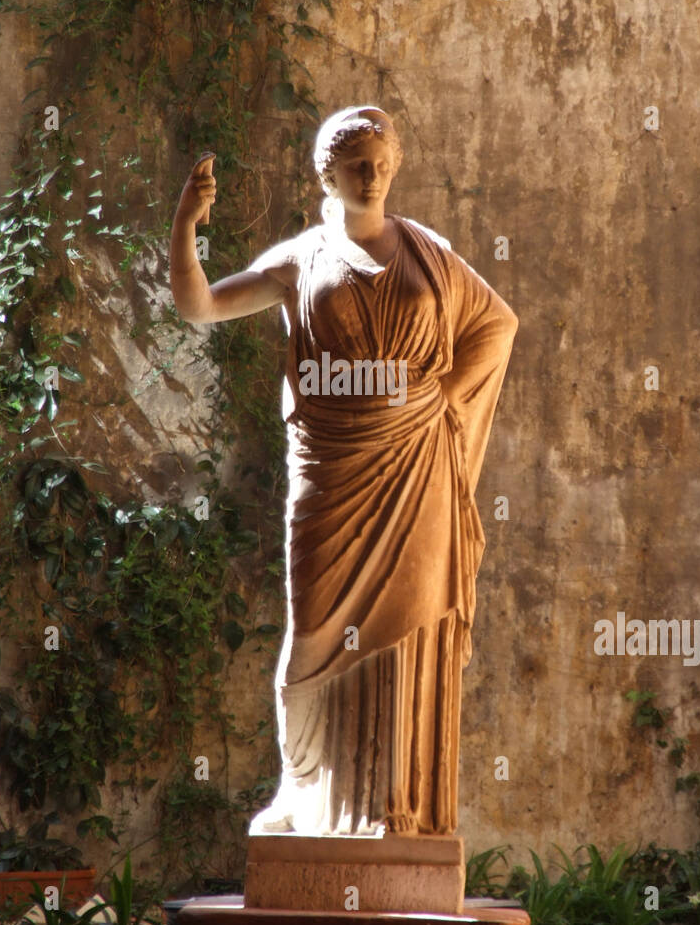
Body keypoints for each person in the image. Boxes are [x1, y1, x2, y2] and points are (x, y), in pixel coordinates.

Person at [170, 106, 518, 836]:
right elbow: (199, 308)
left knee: (403, 630)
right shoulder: (299, 257)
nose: (374, 174)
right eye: (358, 162)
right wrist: (185, 228)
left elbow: (496, 325)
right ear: (326, 172)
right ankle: (299, 788)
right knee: (313, 634)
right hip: (331, 467)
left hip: (413, 462)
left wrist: (442, 404)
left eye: (383, 161)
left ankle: (390, 803)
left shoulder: (428, 254)